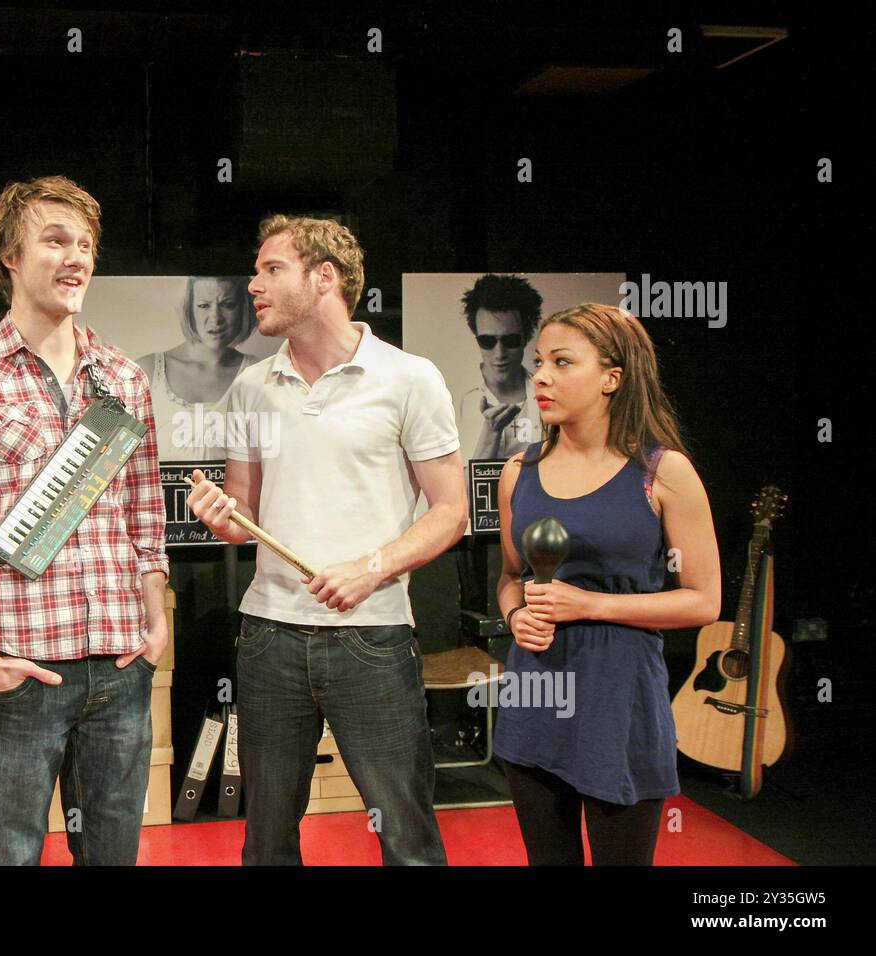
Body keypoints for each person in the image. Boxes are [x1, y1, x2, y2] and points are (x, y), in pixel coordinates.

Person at [188, 215, 468, 865]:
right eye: (255, 271)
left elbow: (452, 511)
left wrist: (373, 567)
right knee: (266, 840)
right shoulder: (251, 387)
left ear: (324, 278)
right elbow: (240, 518)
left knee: (407, 836)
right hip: (268, 636)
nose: (252, 285)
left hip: (373, 637)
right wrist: (217, 514)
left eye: (270, 270)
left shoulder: (409, 379)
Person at [0, 175, 169, 866]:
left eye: (85, 244)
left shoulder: (124, 379)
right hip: (19, 670)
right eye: (55, 240)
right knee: (12, 856)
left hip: (119, 665)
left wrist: (155, 621)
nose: (76, 257)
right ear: (11, 257)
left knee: (114, 853)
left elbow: (145, 513)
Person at [493, 303, 721, 866]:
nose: (540, 376)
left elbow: (704, 601)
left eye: (563, 362)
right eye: (539, 361)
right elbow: (510, 579)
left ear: (612, 378)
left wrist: (590, 602)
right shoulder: (518, 472)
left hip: (618, 704)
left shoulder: (663, 473)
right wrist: (514, 616)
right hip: (535, 699)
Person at [136, 275, 259, 461]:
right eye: (203, 305)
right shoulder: (147, 371)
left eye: (228, 304)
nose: (216, 318)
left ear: (244, 308)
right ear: (189, 309)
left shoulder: (258, 373)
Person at [455, 274, 544, 461]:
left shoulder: (549, 395)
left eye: (510, 340)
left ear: (526, 338)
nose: (499, 353)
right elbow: (459, 488)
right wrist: (490, 433)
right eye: (487, 341)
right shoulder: (456, 399)